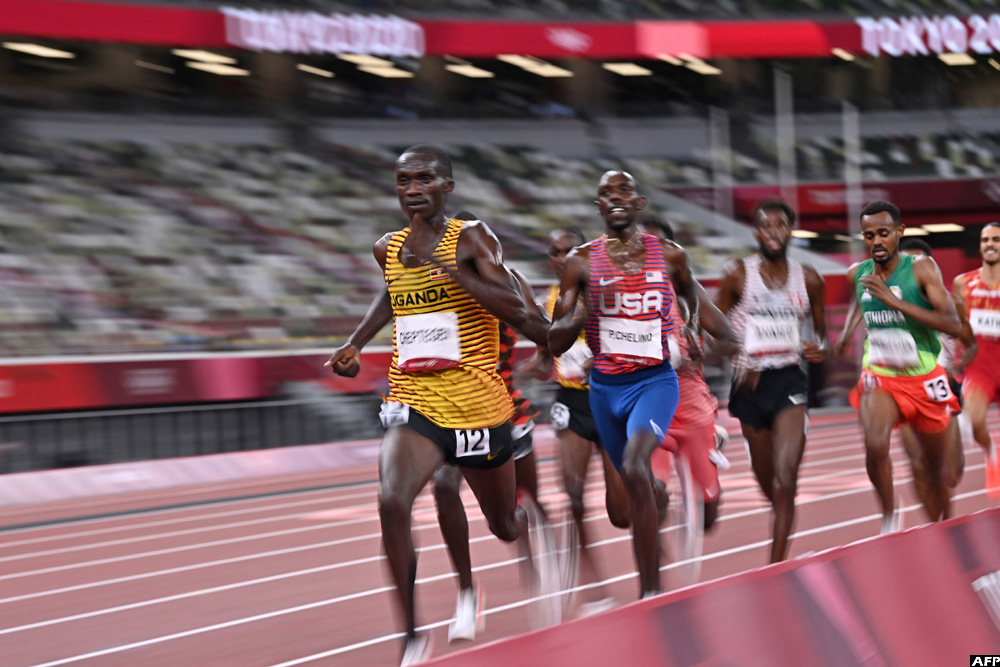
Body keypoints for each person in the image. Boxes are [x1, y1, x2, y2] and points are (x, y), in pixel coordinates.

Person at [325, 146, 551, 665]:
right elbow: (391, 293)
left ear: (447, 186)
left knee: (502, 526)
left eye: (425, 178)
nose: (413, 189)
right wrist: (357, 342)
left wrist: (455, 274)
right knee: (391, 500)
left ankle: (525, 521)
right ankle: (411, 636)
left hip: (478, 403)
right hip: (415, 397)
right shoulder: (388, 247)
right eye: (404, 180)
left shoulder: (471, 237)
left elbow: (516, 306)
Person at [549, 170, 694, 598]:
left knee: (632, 470)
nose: (615, 197)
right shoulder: (577, 267)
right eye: (605, 193)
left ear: (639, 202)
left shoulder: (668, 256)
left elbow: (692, 294)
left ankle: (650, 591)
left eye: (623, 190)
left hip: (651, 382)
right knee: (616, 508)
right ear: (597, 206)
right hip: (596, 395)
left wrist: (701, 327)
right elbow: (554, 343)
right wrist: (573, 321)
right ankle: (653, 497)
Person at [521, 226, 629, 616]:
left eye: (570, 250)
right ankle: (596, 589)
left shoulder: (609, 292)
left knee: (622, 513)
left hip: (612, 400)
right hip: (571, 403)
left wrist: (600, 361)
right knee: (574, 493)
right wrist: (535, 364)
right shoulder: (547, 302)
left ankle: (654, 508)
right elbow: (547, 357)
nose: (561, 258)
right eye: (555, 251)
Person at [714, 199, 828, 563]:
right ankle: (782, 515)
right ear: (756, 232)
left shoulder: (809, 278)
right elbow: (713, 330)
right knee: (771, 487)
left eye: (780, 225)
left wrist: (818, 348)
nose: (773, 233)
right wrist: (737, 354)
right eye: (766, 226)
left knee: (785, 480)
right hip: (749, 386)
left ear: (790, 230)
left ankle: (775, 567)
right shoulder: (737, 275)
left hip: (789, 381)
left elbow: (822, 335)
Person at [841, 200, 962, 532]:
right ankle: (890, 518)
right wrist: (847, 330)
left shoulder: (922, 268)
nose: (876, 242)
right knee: (875, 443)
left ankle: (945, 529)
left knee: (932, 468)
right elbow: (860, 299)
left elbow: (951, 323)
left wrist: (896, 302)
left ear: (899, 232)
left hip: (925, 380)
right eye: (869, 235)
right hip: (881, 376)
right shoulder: (858, 273)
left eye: (883, 233)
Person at [837, 238, 973, 490]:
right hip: (904, 385)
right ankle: (931, 523)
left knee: (951, 473)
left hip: (941, 386)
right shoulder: (885, 296)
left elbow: (969, 340)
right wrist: (849, 331)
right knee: (918, 462)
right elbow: (861, 296)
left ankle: (941, 515)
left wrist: (962, 361)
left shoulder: (950, 304)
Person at [638, 218, 738, 536]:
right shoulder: (618, 292)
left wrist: (701, 352)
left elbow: (729, 339)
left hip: (690, 400)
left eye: (658, 247)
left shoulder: (688, 294)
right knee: (650, 492)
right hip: (649, 401)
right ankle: (652, 564)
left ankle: (711, 439)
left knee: (707, 516)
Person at [953, 222, 1000, 498]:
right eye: (985, 240)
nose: (990, 244)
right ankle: (991, 452)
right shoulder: (963, 282)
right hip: (979, 365)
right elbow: (955, 323)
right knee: (975, 422)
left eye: (996, 239)